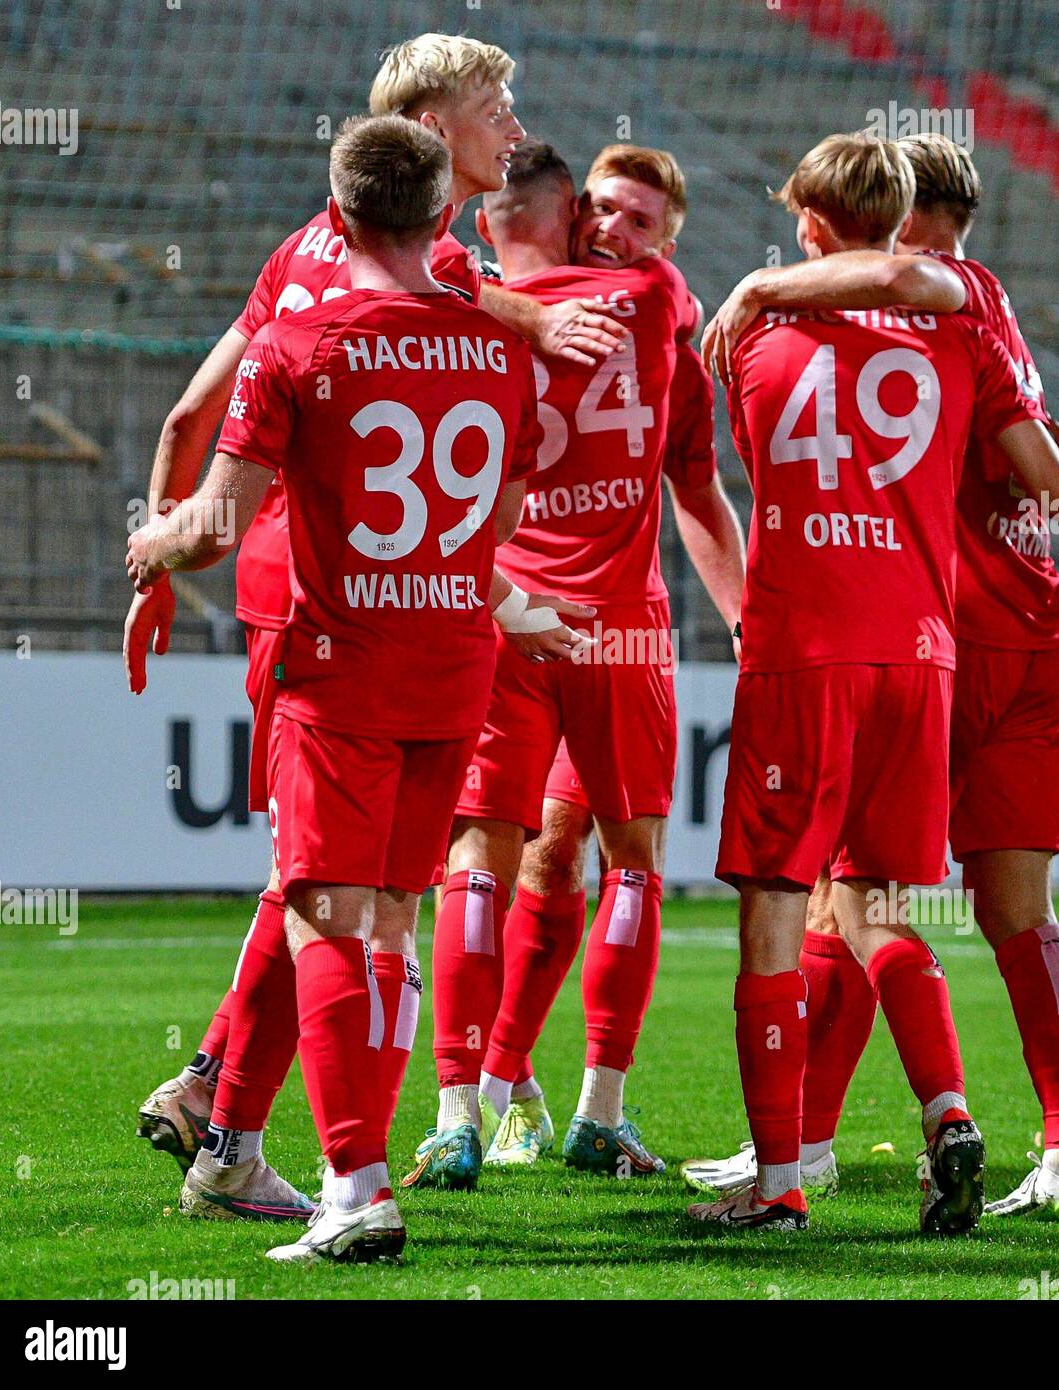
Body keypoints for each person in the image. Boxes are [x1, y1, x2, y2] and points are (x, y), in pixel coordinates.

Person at [129, 33, 627, 1217]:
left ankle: (225, 1107)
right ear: (425, 124)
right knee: (329, 891)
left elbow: (195, 411)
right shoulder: (426, 294)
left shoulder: (338, 256)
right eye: (490, 104)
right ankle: (264, 1127)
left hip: (338, 586)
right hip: (323, 597)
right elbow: (232, 408)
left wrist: (155, 548)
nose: (512, 124)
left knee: (322, 886)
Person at [684, 132, 1059, 1224]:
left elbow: (881, 285)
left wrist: (758, 283)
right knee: (1003, 910)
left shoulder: (921, 298)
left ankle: (808, 1156)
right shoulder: (980, 317)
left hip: (913, 630)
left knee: (830, 898)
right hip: (1023, 629)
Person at [404, 142, 714, 1189]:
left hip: (504, 611)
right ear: (574, 209)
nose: (617, 232)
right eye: (605, 212)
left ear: (486, 217)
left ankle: (456, 1110)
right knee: (630, 860)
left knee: (477, 860)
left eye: (639, 220)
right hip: (621, 622)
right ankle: (597, 1107)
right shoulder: (659, 295)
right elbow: (696, 477)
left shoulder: (464, 307)